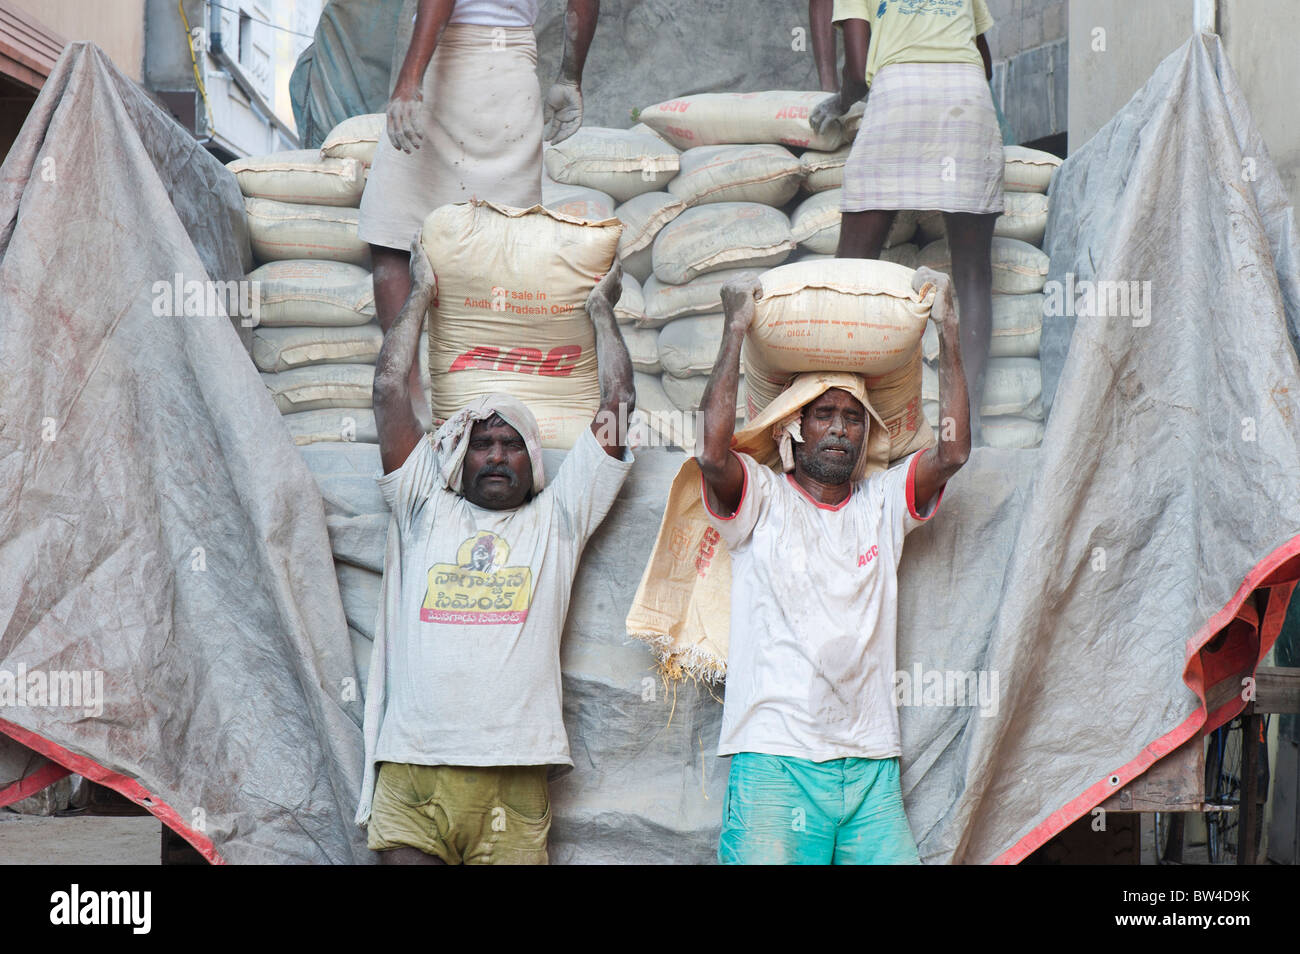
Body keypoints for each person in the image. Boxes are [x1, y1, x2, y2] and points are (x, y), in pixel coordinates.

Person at [356, 237, 635, 864]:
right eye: (483, 442)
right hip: (414, 769)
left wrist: (600, 310)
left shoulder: (558, 521)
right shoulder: (426, 506)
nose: (497, 455)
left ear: (534, 462)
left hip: (511, 776)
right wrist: (423, 295)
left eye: (512, 444)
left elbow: (617, 406)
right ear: (460, 457)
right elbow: (386, 390)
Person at [695, 267, 969, 864]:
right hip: (776, 759)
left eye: (852, 417)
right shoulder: (761, 499)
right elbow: (712, 454)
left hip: (870, 765)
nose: (840, 429)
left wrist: (947, 330)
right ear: (795, 427)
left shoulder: (879, 505)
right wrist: (735, 327)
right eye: (824, 414)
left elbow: (951, 451)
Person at [359, 0, 602, 416]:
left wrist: (409, 81)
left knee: (393, 235)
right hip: (511, 76)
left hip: (447, 68)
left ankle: (409, 395)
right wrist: (569, 77)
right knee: (503, 249)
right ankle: (488, 400)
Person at [808, 0, 1000, 443]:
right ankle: (965, 424)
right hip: (967, 96)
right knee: (972, 275)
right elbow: (984, 59)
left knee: (850, 270)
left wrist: (839, 102)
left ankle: (834, 411)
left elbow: (857, 70)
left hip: (899, 98)